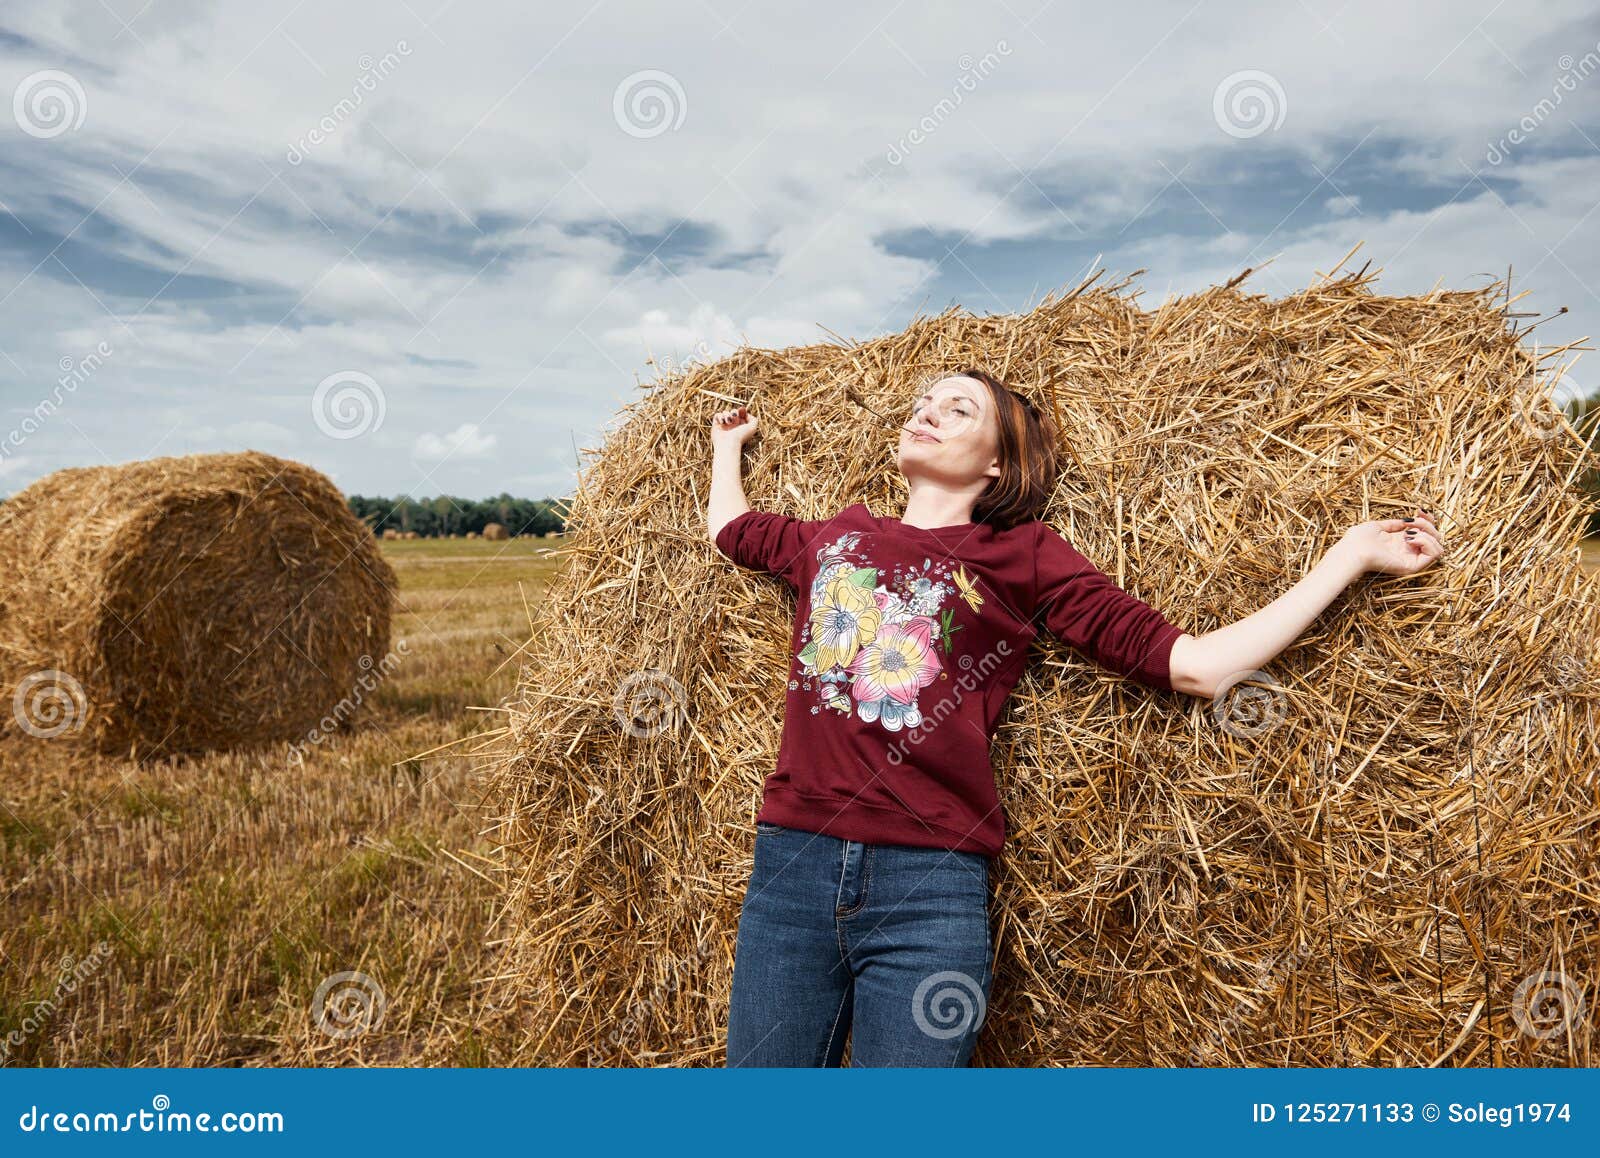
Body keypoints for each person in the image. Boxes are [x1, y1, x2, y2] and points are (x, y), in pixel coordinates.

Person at [707, 367, 1444, 1066]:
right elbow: (729, 531)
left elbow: (1200, 667)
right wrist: (725, 449)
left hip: (929, 892)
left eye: (958, 409)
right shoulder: (831, 537)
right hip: (791, 871)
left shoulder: (1025, 556)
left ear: (998, 464)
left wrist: (1350, 556)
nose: (927, 411)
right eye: (924, 401)